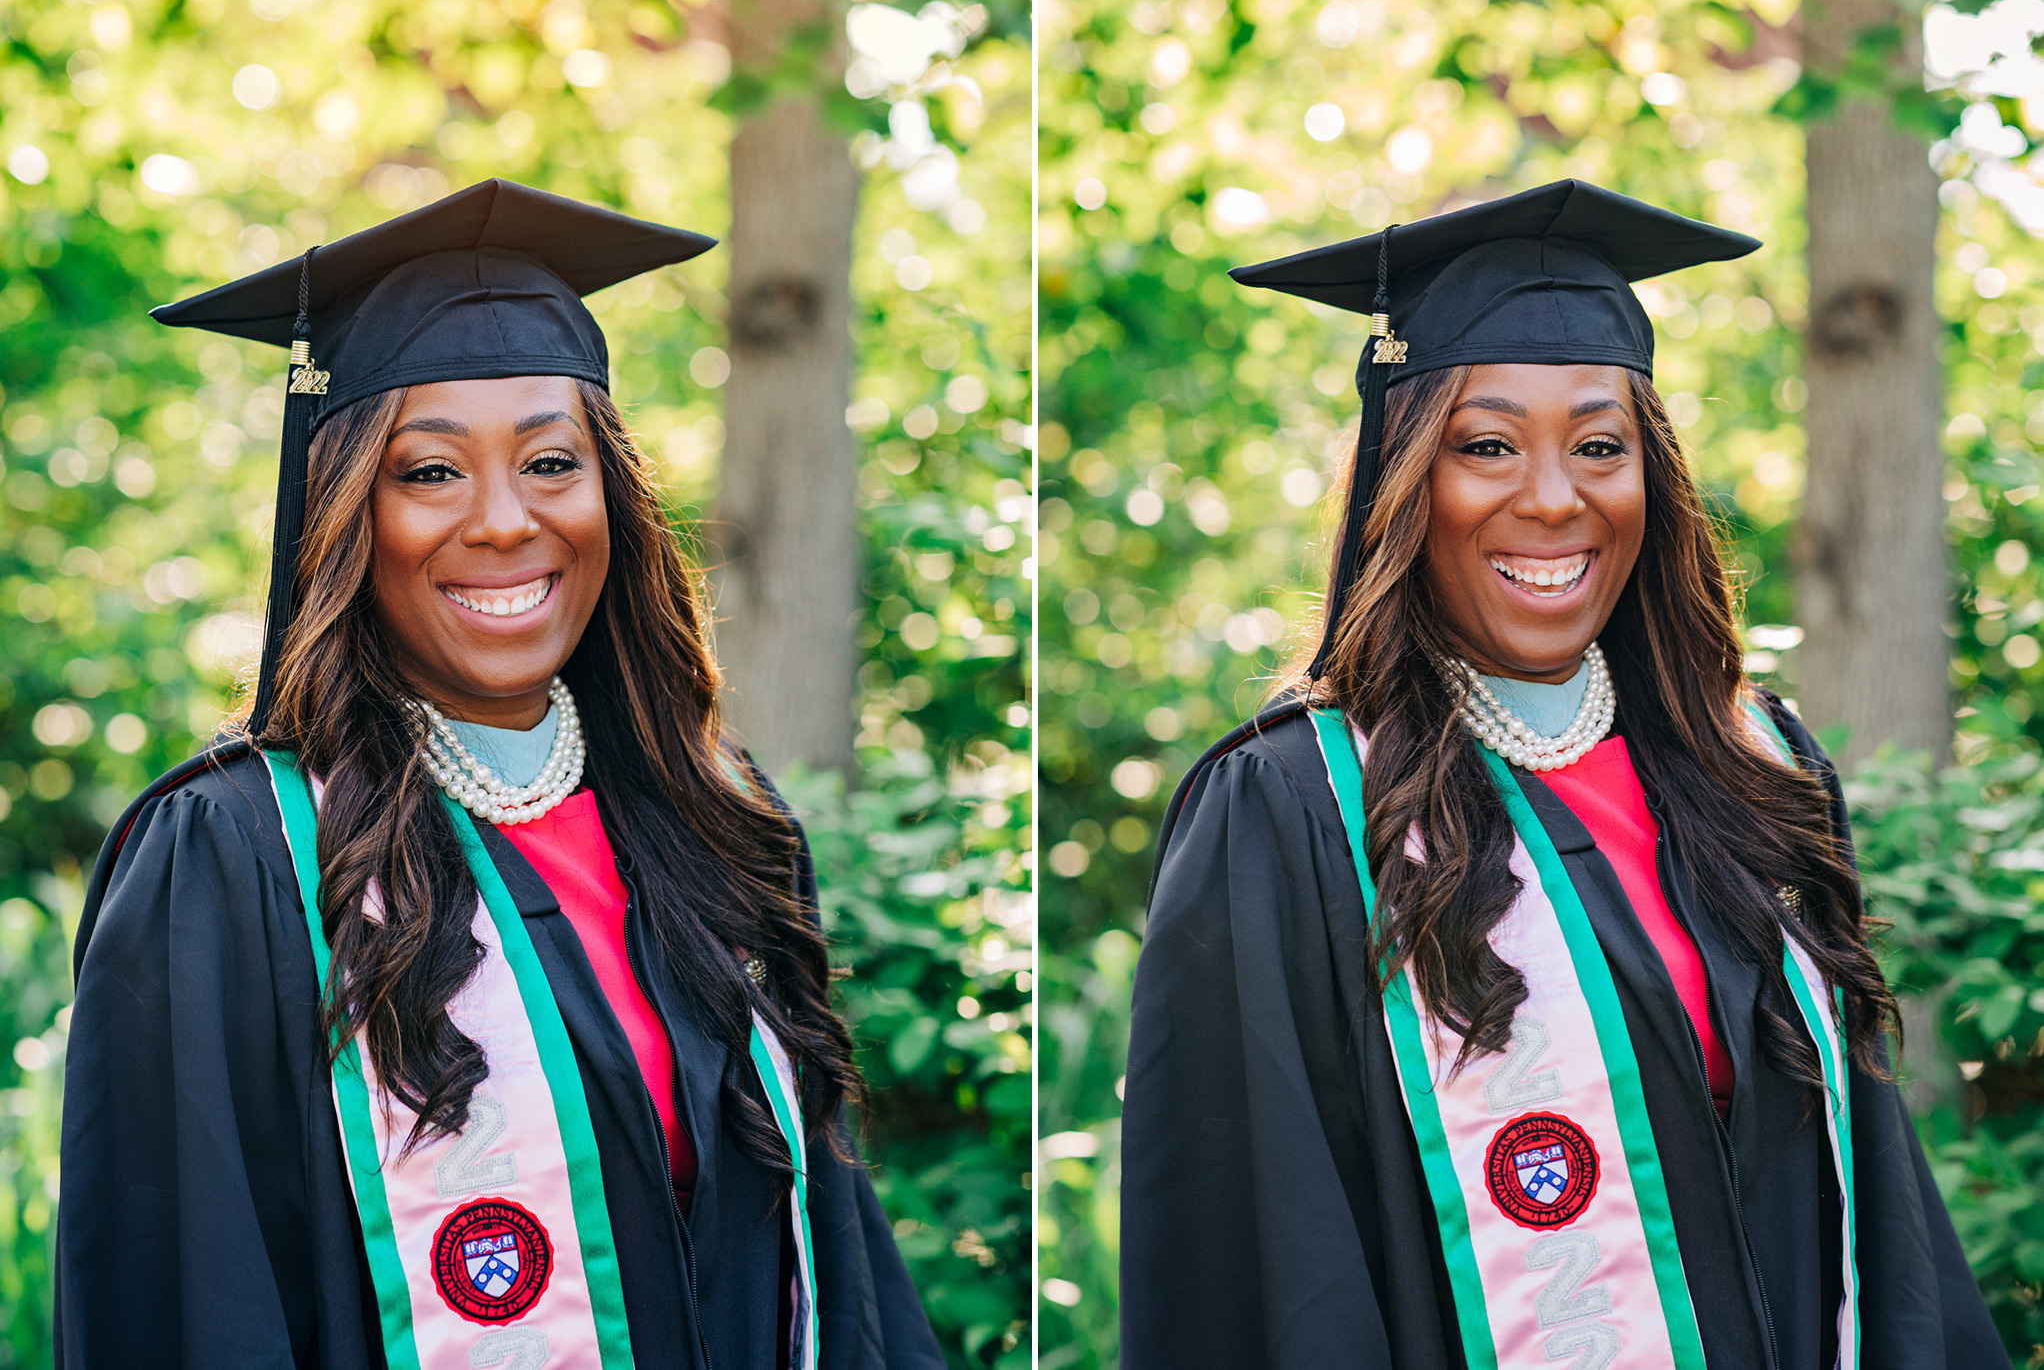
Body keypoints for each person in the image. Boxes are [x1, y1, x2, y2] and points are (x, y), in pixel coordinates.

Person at [59, 179, 945, 1370]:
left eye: (549, 463)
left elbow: (834, 1265)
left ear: (611, 498)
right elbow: (183, 1292)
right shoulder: (238, 856)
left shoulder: (721, 825)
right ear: (344, 513)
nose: (504, 521)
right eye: (429, 473)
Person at [1120, 180, 2006, 1370]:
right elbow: (1253, 1256)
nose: (1552, 498)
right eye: (1485, 446)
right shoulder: (1293, 810)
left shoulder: (1755, 769)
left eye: (1599, 446)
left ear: (1655, 480)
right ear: (1404, 481)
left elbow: (1874, 1195)